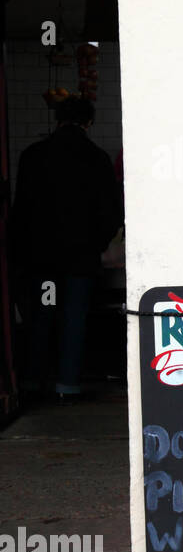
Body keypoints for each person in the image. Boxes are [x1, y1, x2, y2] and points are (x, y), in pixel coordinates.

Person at [10, 96, 122, 403]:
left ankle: (32, 381)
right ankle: (67, 385)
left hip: (43, 261)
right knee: (74, 319)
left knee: (42, 316)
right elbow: (111, 212)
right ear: (88, 122)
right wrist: (96, 244)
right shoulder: (96, 158)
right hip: (80, 261)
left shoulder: (33, 155)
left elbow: (20, 210)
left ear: (57, 119)